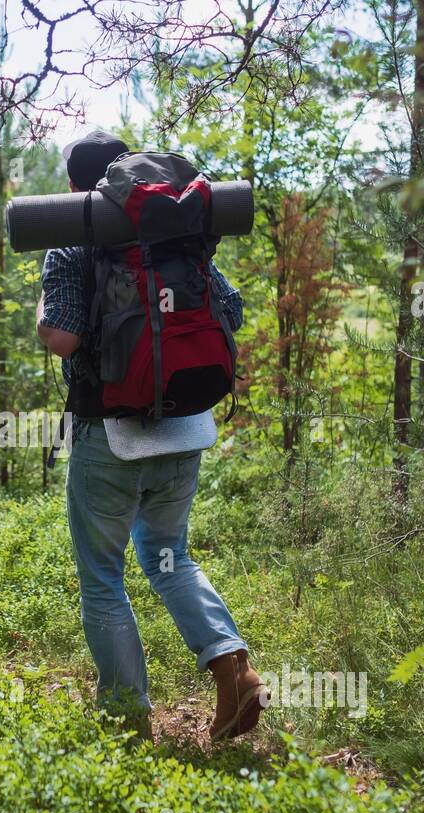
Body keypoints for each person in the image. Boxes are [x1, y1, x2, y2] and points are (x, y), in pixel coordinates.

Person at [36, 130, 265, 743]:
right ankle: (233, 670)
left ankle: (127, 717)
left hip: (112, 435)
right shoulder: (174, 234)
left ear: (73, 189)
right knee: (169, 558)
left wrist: (46, 315)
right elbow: (233, 312)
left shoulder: (73, 243)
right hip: (185, 426)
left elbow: (61, 337)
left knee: (103, 576)